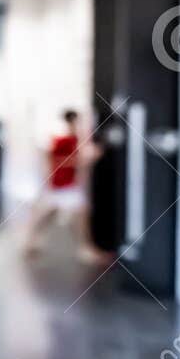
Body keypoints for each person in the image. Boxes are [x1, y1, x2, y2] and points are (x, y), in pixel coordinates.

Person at [22, 109, 111, 263]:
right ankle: (83, 248)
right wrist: (83, 160)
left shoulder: (74, 138)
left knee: (65, 212)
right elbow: (55, 160)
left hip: (67, 183)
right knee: (69, 212)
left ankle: (31, 241)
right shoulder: (61, 138)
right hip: (60, 183)